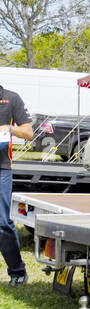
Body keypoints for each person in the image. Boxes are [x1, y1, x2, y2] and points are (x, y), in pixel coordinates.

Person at [0, 83, 33, 286]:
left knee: (2, 223)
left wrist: (10, 129)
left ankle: (17, 271)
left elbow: (29, 133)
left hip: (2, 167)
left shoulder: (11, 98)